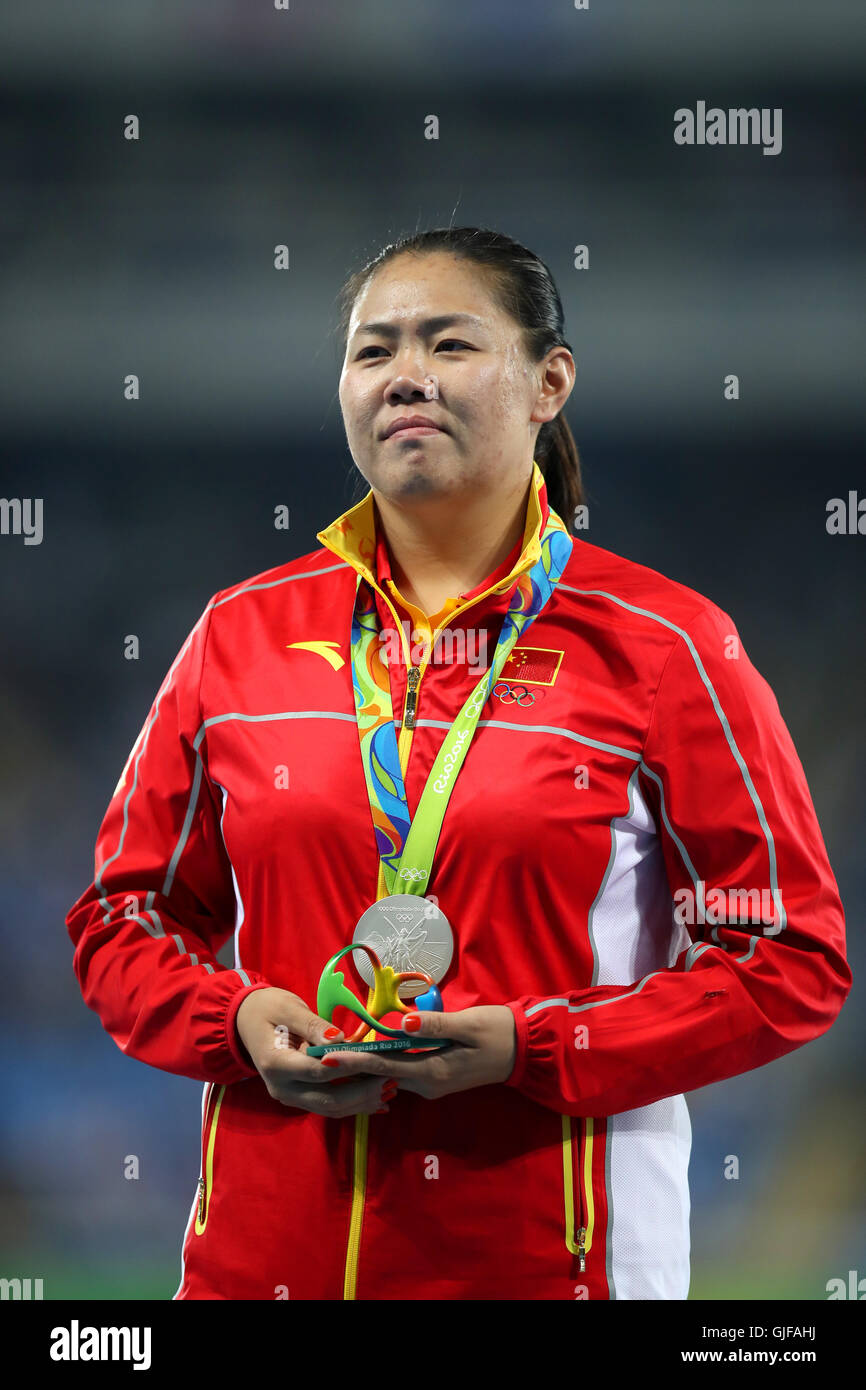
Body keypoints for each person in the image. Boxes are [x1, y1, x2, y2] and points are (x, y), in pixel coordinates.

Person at [66, 226, 851, 1301]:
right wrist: (239, 1022)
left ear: (548, 382)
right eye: (372, 350)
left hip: (544, 1267)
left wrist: (535, 1046)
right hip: (259, 1267)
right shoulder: (236, 636)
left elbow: (788, 957)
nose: (404, 377)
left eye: (447, 344)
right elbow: (120, 920)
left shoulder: (665, 646)